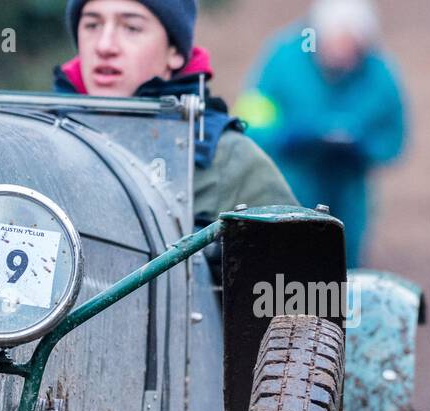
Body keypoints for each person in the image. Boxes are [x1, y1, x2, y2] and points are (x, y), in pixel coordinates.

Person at [53, 0, 297, 230]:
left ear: (175, 52)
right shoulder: (41, 141)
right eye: (92, 25)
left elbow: (295, 268)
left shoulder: (227, 160)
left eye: (131, 28)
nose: (104, 46)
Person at [236, 0, 407, 267]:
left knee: (340, 272)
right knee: (286, 266)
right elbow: (250, 120)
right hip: (288, 187)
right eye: (335, 44)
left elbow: (394, 138)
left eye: (350, 47)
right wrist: (286, 136)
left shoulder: (379, 74)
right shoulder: (283, 60)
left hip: (348, 197)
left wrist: (362, 147)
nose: (341, 55)